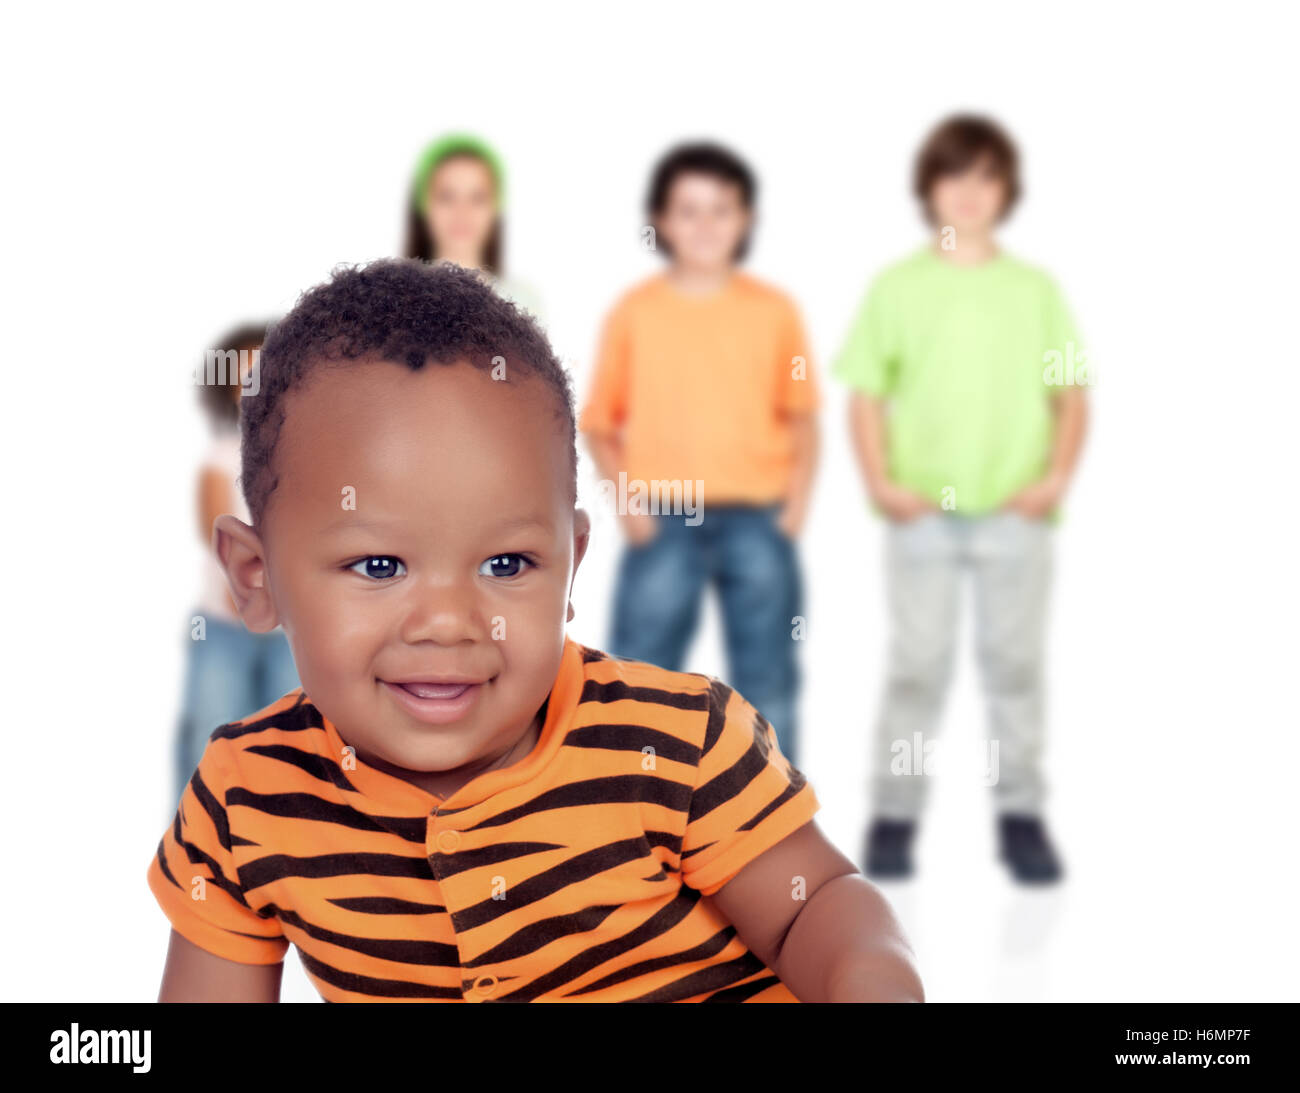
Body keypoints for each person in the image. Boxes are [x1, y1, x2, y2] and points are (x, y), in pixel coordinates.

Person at [147, 259, 920, 1003]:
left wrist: (870, 980)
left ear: (572, 564)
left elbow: (812, 903)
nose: (449, 623)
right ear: (254, 578)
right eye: (379, 565)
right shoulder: (243, 797)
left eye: (508, 562)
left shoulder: (678, 746)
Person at [835, 116, 1089, 884]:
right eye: (954, 177)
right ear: (929, 190)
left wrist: (1053, 481)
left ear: (1006, 190)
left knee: (1014, 665)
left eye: (986, 177)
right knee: (918, 665)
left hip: (1015, 513)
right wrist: (881, 484)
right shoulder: (897, 287)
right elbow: (864, 395)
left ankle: (1021, 815)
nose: (970, 194)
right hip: (924, 519)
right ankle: (893, 815)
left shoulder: (1035, 290)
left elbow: (1070, 391)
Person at [580, 142, 819, 763]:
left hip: (757, 514)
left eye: (721, 209)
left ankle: (771, 820)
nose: (706, 225)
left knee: (766, 676)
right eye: (688, 210)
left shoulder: (774, 312)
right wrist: (629, 504)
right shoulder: (635, 313)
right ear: (660, 219)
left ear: (747, 220)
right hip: (663, 515)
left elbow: (802, 416)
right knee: (641, 674)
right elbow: (600, 422)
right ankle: (628, 812)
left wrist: (794, 508)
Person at [174, 322, 298, 805]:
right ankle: (200, 848)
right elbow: (214, 531)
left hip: (290, 626)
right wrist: (243, 586)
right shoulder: (221, 458)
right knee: (212, 727)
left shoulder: (301, 456)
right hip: (225, 625)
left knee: (289, 738)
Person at [403, 132, 540, 314]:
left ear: (495, 208)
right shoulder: (399, 298)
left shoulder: (523, 300)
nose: (462, 212)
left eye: (478, 198)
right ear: (424, 205)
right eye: (446, 197)